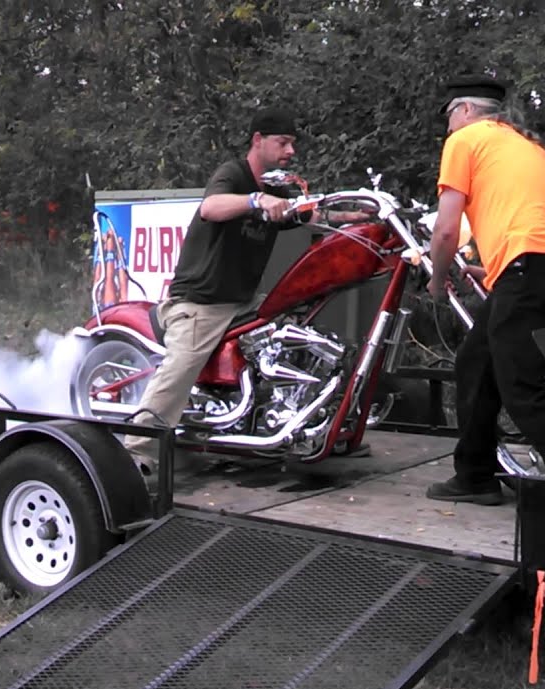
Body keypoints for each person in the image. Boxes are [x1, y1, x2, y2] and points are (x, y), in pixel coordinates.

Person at [123, 107, 368, 473]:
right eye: (283, 142)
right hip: (201, 303)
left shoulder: (274, 189)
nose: (290, 151)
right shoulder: (234, 175)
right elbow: (210, 207)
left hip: (241, 302)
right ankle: (136, 454)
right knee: (182, 365)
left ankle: (294, 424)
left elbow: (312, 216)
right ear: (258, 141)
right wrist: (256, 201)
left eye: (292, 144)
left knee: (297, 330)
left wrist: (361, 216)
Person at [424, 75, 545, 506]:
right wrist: (491, 272)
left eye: (450, 116)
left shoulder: (466, 140)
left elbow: (446, 229)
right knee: (476, 363)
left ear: (466, 111)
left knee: (521, 388)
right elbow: (531, 226)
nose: (449, 127)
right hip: (544, 271)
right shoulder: (525, 145)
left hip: (527, 271)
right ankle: (474, 475)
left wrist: (438, 279)